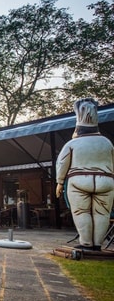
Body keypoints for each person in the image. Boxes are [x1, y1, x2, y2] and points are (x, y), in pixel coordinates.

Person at [56, 98, 114, 251]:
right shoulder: (107, 142)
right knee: (102, 213)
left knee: (81, 212)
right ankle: (97, 244)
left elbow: (62, 163)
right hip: (106, 181)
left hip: (79, 181)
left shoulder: (72, 144)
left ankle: (86, 242)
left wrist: (60, 182)